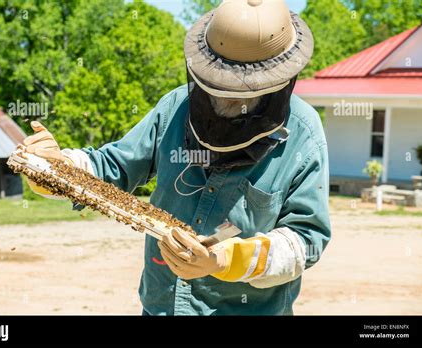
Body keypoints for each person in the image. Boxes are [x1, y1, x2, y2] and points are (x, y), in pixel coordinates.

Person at [22, 0, 331, 315]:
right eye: (218, 91)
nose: (224, 103)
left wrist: (225, 260)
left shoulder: (304, 133)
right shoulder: (175, 108)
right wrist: (57, 170)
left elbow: (306, 240)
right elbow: (113, 166)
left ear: (276, 84)